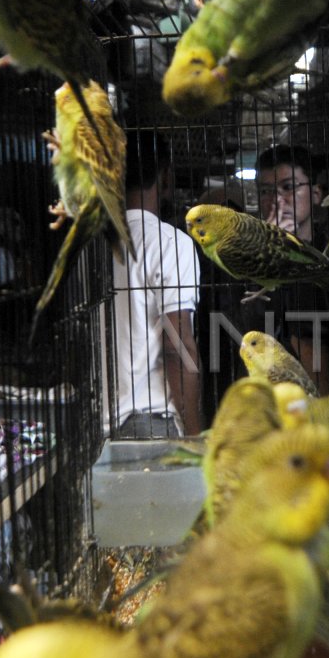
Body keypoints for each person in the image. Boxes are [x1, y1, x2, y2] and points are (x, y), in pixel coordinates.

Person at [109, 129, 203, 438]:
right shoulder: (170, 245)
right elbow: (177, 346)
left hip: (94, 424)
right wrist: (192, 434)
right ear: (165, 177)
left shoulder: (89, 249)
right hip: (149, 422)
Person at [246, 143, 329, 393]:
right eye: (265, 191)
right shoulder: (246, 254)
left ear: (315, 194)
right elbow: (248, 320)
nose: (276, 199)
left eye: (288, 187)